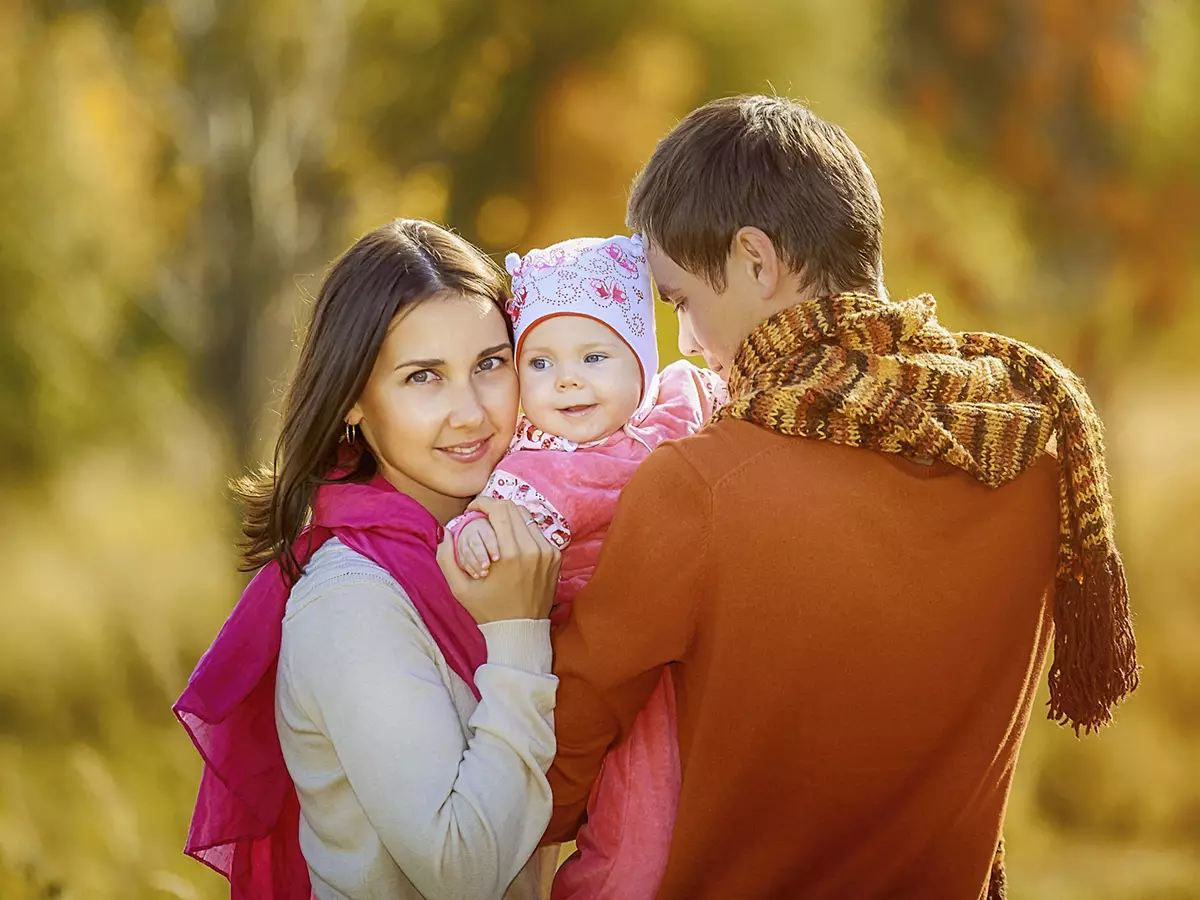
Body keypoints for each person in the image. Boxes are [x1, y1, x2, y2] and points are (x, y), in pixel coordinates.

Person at [538, 96, 1139, 899]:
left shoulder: (696, 486)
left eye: (681, 299)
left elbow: (545, 781)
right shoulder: (1034, 455)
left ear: (757, 261)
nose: (685, 342)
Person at [173, 219, 563, 900]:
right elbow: (460, 870)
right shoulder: (351, 601)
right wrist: (518, 634)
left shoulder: (523, 539)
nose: (470, 412)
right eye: (423, 378)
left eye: (489, 364)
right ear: (354, 398)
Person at [445, 234, 724, 900]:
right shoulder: (536, 468)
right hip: (607, 662)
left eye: (594, 356)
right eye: (539, 363)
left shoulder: (680, 409)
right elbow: (482, 525)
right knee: (638, 822)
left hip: (701, 649)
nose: (567, 379)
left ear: (641, 361)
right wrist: (474, 539)